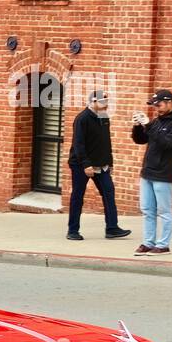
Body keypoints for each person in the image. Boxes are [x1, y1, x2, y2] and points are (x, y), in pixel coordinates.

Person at [131, 88, 172, 256]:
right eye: (154, 105)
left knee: (164, 211)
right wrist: (138, 126)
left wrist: (149, 125)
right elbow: (141, 140)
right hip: (148, 172)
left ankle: (163, 245)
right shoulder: (158, 121)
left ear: (169, 103)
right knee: (147, 210)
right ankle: (148, 242)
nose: (156, 108)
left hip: (165, 174)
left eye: (158, 105)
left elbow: (166, 142)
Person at [66, 90, 130, 241]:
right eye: (103, 102)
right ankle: (73, 230)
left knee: (109, 192)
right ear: (93, 102)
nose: (106, 105)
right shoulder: (82, 119)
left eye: (107, 102)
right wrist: (86, 165)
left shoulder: (104, 117)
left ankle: (112, 228)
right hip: (81, 165)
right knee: (78, 196)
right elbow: (78, 144)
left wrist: (110, 162)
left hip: (102, 164)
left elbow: (106, 142)